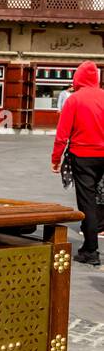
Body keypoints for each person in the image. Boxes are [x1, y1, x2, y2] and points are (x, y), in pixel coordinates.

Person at [51, 60, 104, 266]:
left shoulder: (74, 100)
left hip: (83, 155)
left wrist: (56, 159)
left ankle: (91, 250)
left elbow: (62, 135)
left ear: (78, 78)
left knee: (87, 201)